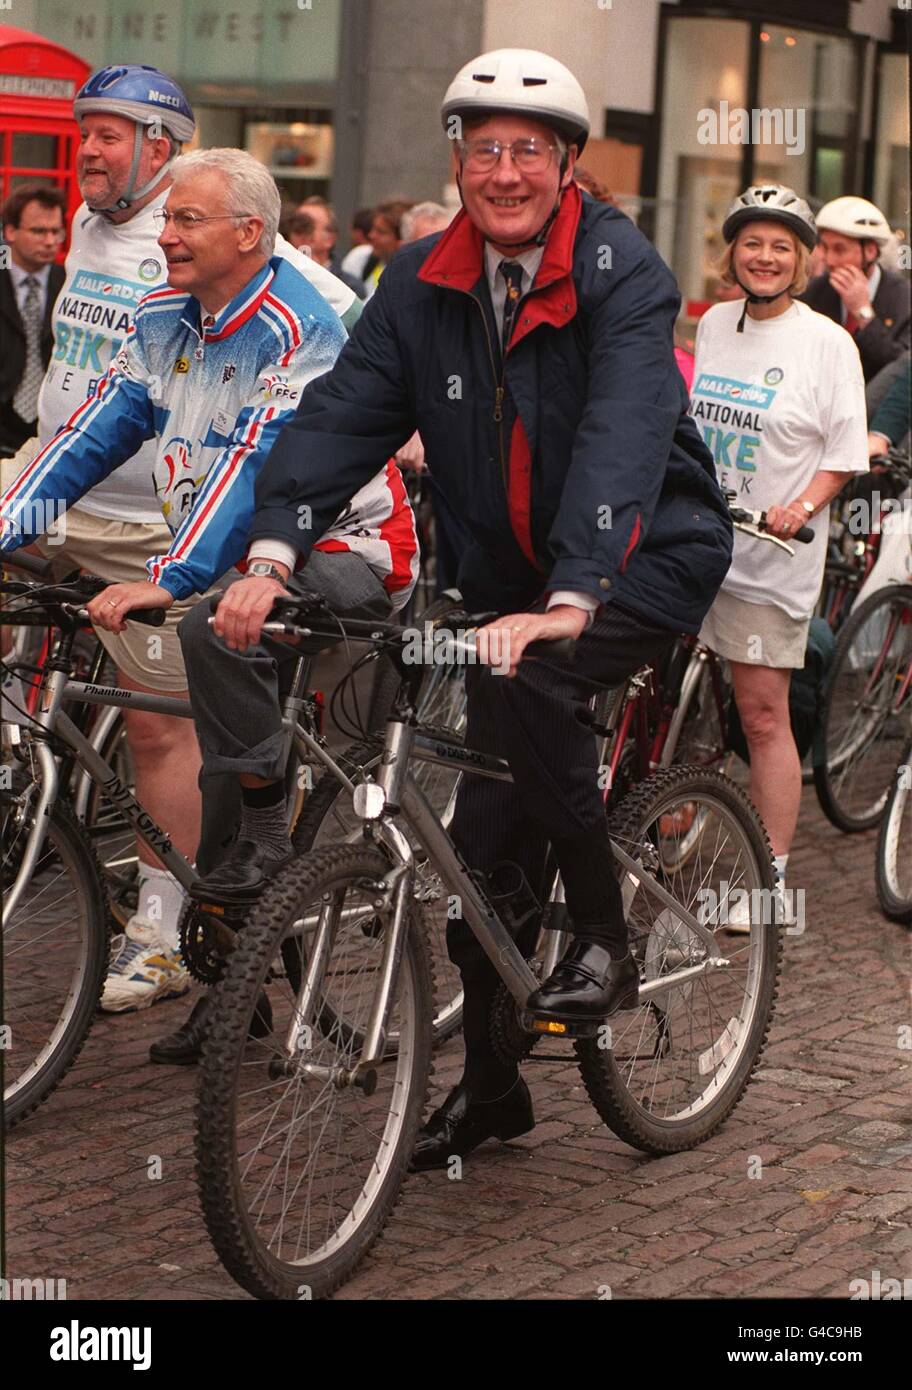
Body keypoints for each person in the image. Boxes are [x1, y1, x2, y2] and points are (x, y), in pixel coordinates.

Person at [219, 47, 733, 1168]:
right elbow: (346, 410)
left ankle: (602, 932)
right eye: (484, 148)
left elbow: (625, 432)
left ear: (567, 165)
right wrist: (271, 550)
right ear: (456, 158)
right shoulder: (418, 277)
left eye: (529, 151)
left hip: (646, 550)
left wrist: (577, 589)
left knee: (539, 680)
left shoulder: (621, 270)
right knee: (478, 867)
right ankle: (497, 1092)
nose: (505, 172)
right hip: (502, 580)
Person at [0, 147, 411, 1018]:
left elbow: (261, 470)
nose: (166, 234)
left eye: (186, 219)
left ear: (249, 232)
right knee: (210, 731)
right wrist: (10, 526)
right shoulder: (164, 316)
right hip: (229, 562)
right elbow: (92, 434)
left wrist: (172, 575)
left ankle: (269, 834)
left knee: (208, 635)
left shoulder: (297, 331)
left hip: (338, 555)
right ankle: (232, 971)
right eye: (167, 218)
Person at [692, 185, 869, 927]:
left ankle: (769, 880)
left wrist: (801, 505)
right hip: (695, 548)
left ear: (800, 261)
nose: (764, 257)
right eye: (752, 242)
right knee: (683, 704)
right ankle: (671, 836)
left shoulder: (828, 342)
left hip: (770, 560)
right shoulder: (712, 326)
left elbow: (844, 452)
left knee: (762, 716)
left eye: (781, 246)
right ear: (731, 251)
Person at [802, 196, 911, 383]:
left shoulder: (903, 296)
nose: (829, 260)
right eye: (824, 248)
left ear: (870, 251)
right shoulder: (815, 291)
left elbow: (900, 371)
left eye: (839, 250)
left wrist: (863, 313)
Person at [0, 184, 66, 459]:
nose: (50, 241)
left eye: (56, 231)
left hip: (49, 432)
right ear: (10, 232)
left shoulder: (69, 282)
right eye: (39, 231)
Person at [295, 196, 367, 298]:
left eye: (306, 227)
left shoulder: (350, 288)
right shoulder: (276, 278)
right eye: (296, 226)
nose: (300, 233)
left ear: (330, 239)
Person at [362, 197, 414, 297]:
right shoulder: (363, 258)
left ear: (403, 241)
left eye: (380, 232)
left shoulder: (407, 281)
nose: (371, 235)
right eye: (372, 228)